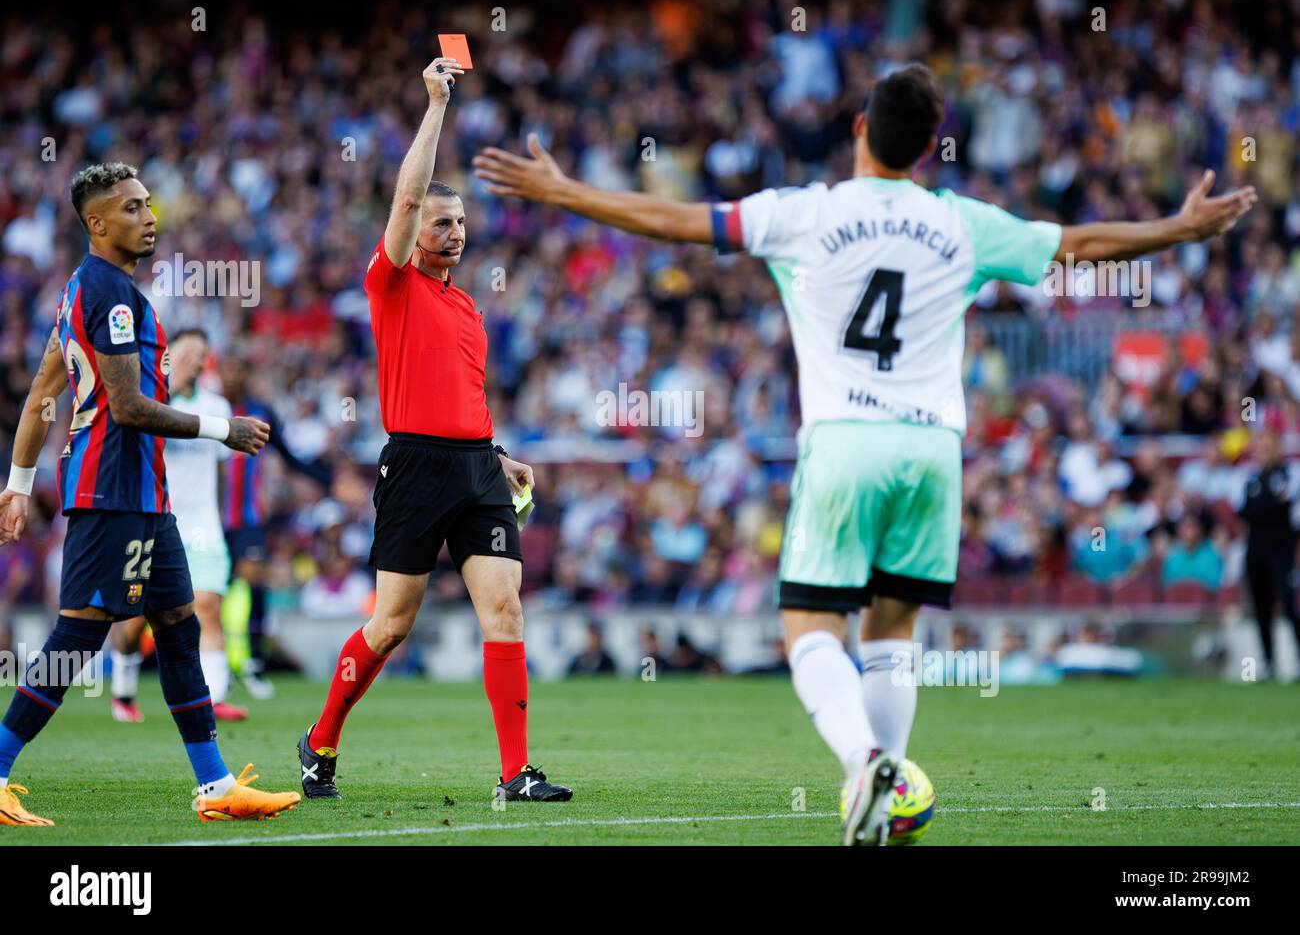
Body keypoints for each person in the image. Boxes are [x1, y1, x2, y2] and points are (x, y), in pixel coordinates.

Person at [475, 63, 1257, 843]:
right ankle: (887, 795)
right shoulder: (962, 222)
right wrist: (1177, 230)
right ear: (929, 147)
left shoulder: (804, 213)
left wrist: (565, 191)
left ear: (858, 129)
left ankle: (867, 763)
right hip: (932, 451)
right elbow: (1078, 243)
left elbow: (678, 222)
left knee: (809, 629)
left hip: (846, 441)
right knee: (891, 634)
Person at [296, 56, 571, 803]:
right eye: (439, 222)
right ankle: (320, 742)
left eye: (459, 224)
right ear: (415, 229)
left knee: (505, 608)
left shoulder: (470, 309)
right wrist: (436, 104)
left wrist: (500, 453)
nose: (451, 232)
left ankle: (515, 773)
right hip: (414, 468)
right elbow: (410, 190)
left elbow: (463, 396)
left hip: (477, 469)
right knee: (390, 625)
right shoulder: (391, 285)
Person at [0, 162, 300, 825]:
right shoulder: (107, 292)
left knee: (177, 624)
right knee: (78, 637)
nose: (149, 217)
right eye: (132, 208)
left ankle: (215, 786)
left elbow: (43, 392)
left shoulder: (85, 290)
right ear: (98, 223)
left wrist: (17, 485)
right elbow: (130, 406)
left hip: (143, 496)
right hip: (112, 492)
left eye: (148, 204)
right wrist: (224, 428)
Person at [109, 329, 249, 723]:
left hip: (202, 523)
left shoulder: (217, 404)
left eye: (203, 354)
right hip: (156, 520)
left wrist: (220, 517)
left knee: (208, 607)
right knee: (136, 620)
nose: (198, 360)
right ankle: (123, 692)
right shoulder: (148, 401)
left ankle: (215, 696)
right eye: (190, 352)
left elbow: (221, 473)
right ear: (171, 355)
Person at [219, 348, 332, 698]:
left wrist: (324, 478)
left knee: (254, 584)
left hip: (249, 517)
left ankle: (252, 664)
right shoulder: (205, 409)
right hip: (209, 518)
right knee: (211, 593)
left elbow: (285, 453)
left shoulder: (259, 412)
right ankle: (212, 665)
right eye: (227, 369)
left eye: (239, 369)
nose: (233, 377)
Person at [1237, 427, 1300, 677]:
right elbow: (1244, 513)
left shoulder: (1290, 474)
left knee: (1288, 604)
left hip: (1281, 551)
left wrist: (1265, 506)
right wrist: (1270, 504)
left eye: (1269, 446)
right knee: (1261, 608)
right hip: (1256, 551)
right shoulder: (1249, 479)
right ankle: (1268, 663)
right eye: (1260, 447)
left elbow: (1284, 510)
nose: (1264, 452)